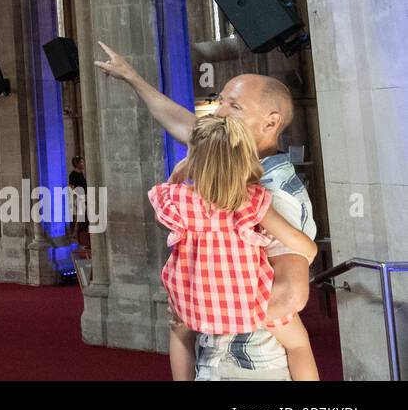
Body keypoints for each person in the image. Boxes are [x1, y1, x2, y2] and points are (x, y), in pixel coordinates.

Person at [95, 42, 318, 381]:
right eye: (222, 102)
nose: (220, 112)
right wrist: (132, 77)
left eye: (235, 106)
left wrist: (200, 308)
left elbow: (291, 293)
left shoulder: (274, 193)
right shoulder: (229, 170)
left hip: (250, 367)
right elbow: (188, 127)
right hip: (213, 362)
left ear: (271, 122)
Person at [150, 115, 318, 380]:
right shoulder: (251, 199)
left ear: (194, 163)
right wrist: (309, 252)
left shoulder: (179, 201)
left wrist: (177, 177)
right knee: (299, 344)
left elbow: (162, 216)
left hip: (194, 301)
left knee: (178, 329)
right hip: (247, 300)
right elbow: (295, 240)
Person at [67, 156, 90, 256]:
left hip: (85, 197)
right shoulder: (73, 174)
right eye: (81, 162)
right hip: (79, 198)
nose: (83, 164)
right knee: (80, 219)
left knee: (84, 219)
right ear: (76, 164)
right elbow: (70, 187)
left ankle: (79, 238)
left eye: (83, 162)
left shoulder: (81, 173)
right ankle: (76, 236)